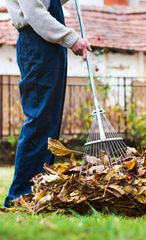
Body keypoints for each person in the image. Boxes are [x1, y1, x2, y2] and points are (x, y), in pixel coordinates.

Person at [4, 0, 91, 208]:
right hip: (37, 43)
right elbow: (35, 13)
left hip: (49, 46)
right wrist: (71, 39)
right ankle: (20, 195)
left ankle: (39, 190)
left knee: (50, 122)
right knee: (39, 119)